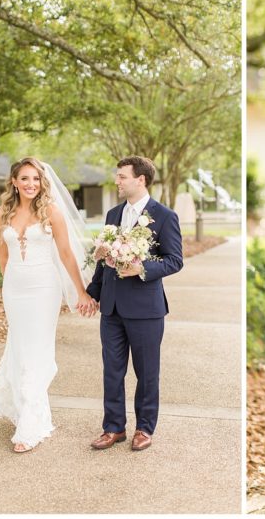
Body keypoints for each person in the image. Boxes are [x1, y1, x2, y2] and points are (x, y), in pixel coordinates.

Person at [0, 157, 96, 454]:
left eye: (35, 179)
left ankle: (30, 424)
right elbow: (2, 256)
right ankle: (27, 409)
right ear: (14, 181)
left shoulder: (51, 212)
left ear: (42, 182)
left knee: (37, 350)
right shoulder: (2, 213)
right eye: (24, 178)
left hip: (43, 289)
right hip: (14, 288)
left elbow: (65, 254)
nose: (31, 184)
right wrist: (9, 285)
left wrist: (81, 292)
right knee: (20, 347)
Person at [86, 156, 183, 452]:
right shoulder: (113, 214)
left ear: (140, 180)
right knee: (112, 371)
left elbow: (175, 260)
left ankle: (144, 428)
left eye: (121, 177)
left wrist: (142, 269)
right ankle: (113, 427)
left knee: (146, 371)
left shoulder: (164, 216)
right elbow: (104, 263)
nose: (117, 181)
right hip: (112, 308)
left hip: (145, 309)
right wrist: (93, 292)